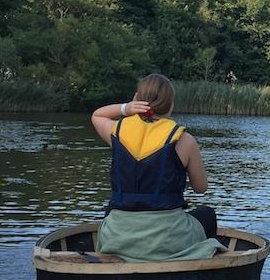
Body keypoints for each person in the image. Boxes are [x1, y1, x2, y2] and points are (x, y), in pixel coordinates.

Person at [90, 73, 225, 262]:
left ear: (137, 99)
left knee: (110, 213)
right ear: (171, 105)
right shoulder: (184, 140)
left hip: (118, 235)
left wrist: (126, 108)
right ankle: (201, 269)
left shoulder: (117, 133)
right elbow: (201, 188)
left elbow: (97, 115)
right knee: (207, 214)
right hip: (168, 237)